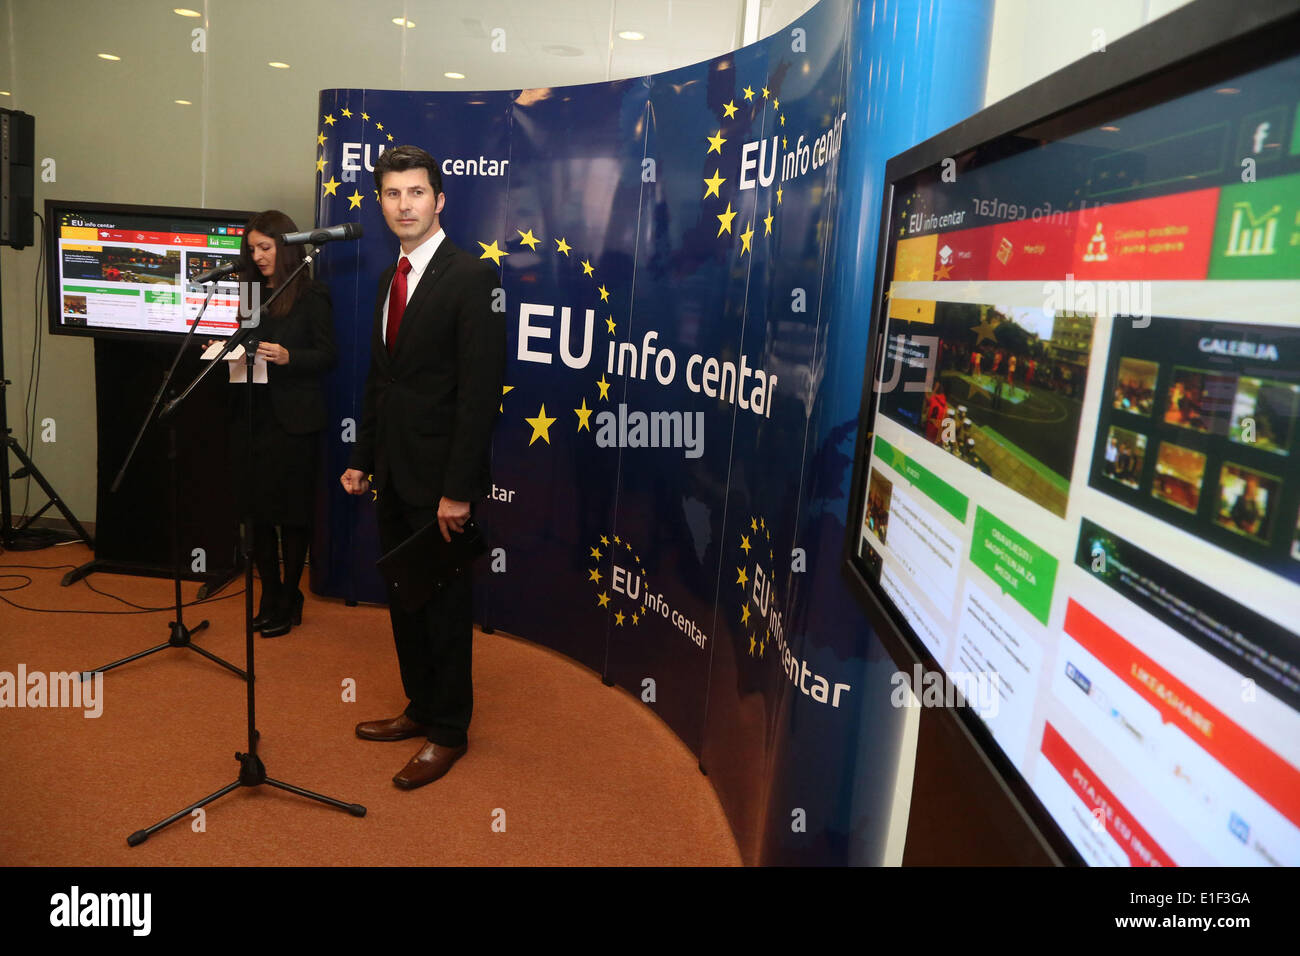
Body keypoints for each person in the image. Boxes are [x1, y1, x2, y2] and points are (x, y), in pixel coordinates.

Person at [341, 145, 506, 790]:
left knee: (441, 605)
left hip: (442, 485)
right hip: (391, 472)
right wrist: (361, 458)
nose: (403, 205)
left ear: (439, 200)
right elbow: (382, 380)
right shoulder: (390, 277)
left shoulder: (472, 279)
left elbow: (480, 394)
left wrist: (457, 492)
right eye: (391, 194)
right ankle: (419, 707)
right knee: (405, 600)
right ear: (380, 203)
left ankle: (449, 731)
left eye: (415, 193)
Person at [228, 210, 337, 637]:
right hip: (253, 416)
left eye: (265, 247)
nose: (257, 256)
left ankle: (291, 595)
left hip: (294, 422)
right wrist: (227, 350)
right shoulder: (251, 294)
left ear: (285, 247)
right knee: (256, 515)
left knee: (291, 516)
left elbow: (329, 356)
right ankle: (268, 594)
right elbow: (245, 343)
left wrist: (290, 357)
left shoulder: (313, 295)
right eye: (251, 249)